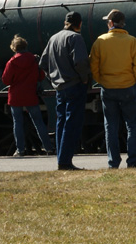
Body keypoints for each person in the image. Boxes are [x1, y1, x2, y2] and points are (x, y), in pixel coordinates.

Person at [89, 8, 136, 169]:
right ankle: (133, 160)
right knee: (133, 125)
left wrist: (102, 80)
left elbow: (94, 67)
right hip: (128, 87)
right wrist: (135, 82)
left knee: (110, 126)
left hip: (108, 88)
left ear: (110, 23)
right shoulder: (133, 42)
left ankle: (113, 162)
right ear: (123, 24)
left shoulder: (100, 41)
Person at [40, 11, 92, 171]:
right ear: (80, 24)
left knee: (61, 122)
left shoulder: (53, 38)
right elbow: (81, 61)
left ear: (65, 22)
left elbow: (43, 63)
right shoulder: (75, 38)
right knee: (72, 123)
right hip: (74, 85)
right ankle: (65, 161)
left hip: (60, 87)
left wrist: (53, 79)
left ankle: (61, 158)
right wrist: (84, 78)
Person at [2, 35, 55, 157]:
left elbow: (5, 80)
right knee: (39, 122)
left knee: (18, 123)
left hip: (16, 96)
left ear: (14, 48)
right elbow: (41, 76)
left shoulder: (12, 62)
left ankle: (20, 150)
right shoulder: (34, 60)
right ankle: (48, 148)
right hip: (31, 95)